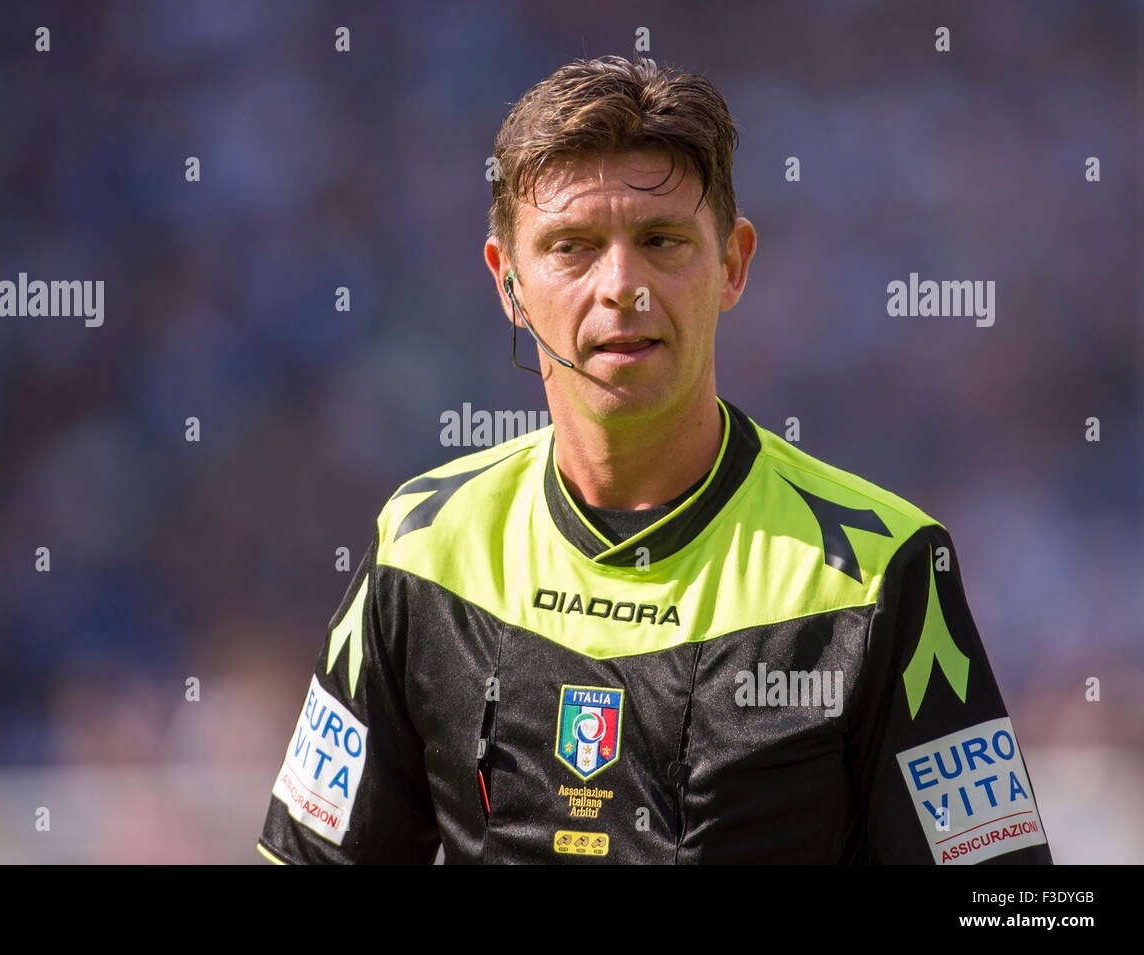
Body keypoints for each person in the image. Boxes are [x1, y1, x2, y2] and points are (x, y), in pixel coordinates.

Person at [257, 55, 1052, 864]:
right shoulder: (422, 547)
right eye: (571, 246)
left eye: (662, 240)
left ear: (732, 264)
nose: (623, 286)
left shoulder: (885, 569)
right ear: (508, 282)